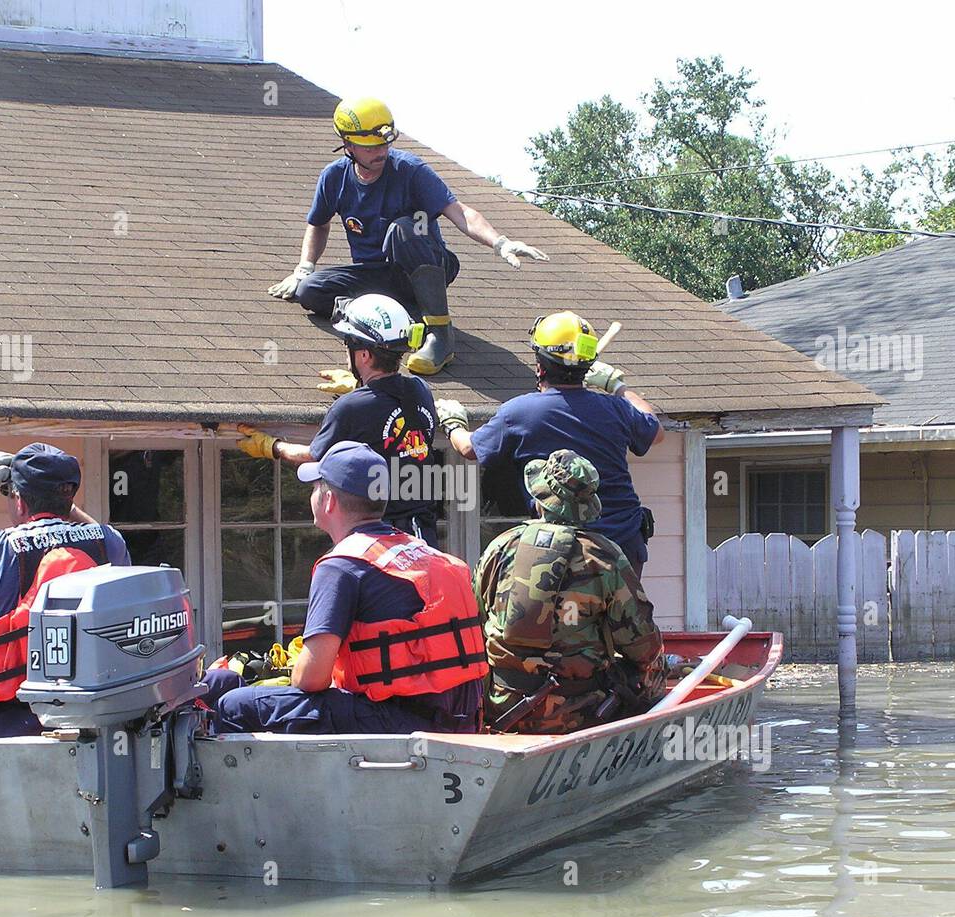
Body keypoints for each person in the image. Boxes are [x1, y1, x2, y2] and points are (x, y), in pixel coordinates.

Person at [206, 441, 488, 735]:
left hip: (399, 724)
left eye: (315, 487)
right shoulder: (424, 552)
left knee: (233, 705)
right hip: (460, 721)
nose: (312, 495)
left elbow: (310, 680)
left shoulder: (342, 566)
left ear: (328, 500)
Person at [267, 96, 548, 375]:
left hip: (426, 264)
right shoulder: (334, 178)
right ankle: (403, 317)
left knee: (402, 229)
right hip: (375, 275)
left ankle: (440, 335)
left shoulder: (409, 170)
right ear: (349, 145)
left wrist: (500, 242)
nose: (382, 151)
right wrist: (304, 269)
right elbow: (319, 223)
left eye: (386, 143)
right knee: (311, 291)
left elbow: (459, 212)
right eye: (372, 146)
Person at [437, 311, 663, 580]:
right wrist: (617, 386)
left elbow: (469, 449)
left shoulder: (520, 413)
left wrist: (452, 423)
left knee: (566, 622)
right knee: (622, 620)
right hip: (622, 546)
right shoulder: (615, 408)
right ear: (588, 366)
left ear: (540, 366)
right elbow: (656, 430)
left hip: (561, 552)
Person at [0, 444, 130, 737]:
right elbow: (103, 546)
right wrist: (61, 500)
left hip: (10, 720)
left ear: (19, 502)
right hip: (94, 713)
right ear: (69, 496)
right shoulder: (108, 542)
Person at [474, 449, 666, 735]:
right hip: (580, 713)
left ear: (540, 502)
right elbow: (643, 647)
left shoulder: (499, 548)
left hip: (502, 706)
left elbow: (473, 621)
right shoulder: (605, 557)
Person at [236, 293, 444, 545]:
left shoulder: (350, 408)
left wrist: (271, 446)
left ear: (364, 355)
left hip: (382, 535)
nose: (347, 351)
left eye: (349, 343)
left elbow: (315, 457)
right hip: (422, 531)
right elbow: (386, 406)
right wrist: (360, 388)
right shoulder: (420, 390)